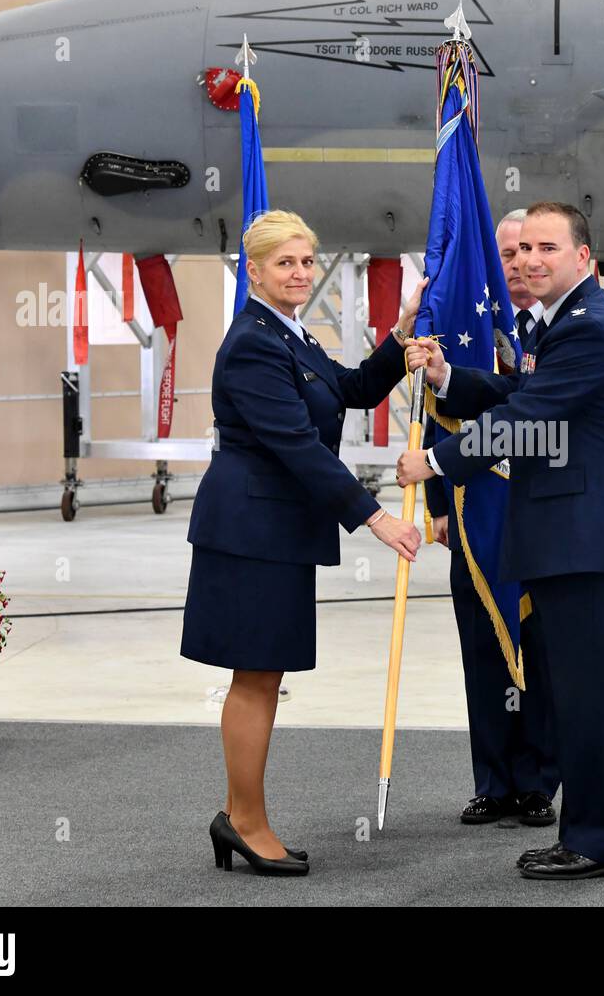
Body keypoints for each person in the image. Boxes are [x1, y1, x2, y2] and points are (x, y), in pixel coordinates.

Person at [398, 201, 604, 880]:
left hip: (588, 539)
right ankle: (593, 833)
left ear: (584, 257)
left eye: (548, 247)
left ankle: (603, 842)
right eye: (524, 249)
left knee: (589, 695)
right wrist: (451, 379)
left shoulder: (590, 328)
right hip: (570, 535)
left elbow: (526, 417)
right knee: (579, 694)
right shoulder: (562, 321)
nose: (531, 260)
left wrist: (435, 462)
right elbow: (520, 389)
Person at [182, 209, 423, 876]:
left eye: (306, 262)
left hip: (273, 528)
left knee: (262, 673)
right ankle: (247, 824)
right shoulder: (256, 342)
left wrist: (400, 340)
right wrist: (375, 517)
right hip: (252, 531)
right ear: (253, 272)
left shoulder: (288, 334)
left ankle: (237, 816)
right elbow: (295, 446)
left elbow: (344, 391)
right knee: (257, 677)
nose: (298, 273)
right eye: (284, 262)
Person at [422, 208, 559, 828]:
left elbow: (539, 421)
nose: (519, 265)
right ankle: (492, 781)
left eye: (530, 251)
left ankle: (536, 782)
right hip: (472, 514)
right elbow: (438, 413)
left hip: (535, 518)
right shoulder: (471, 326)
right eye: (505, 255)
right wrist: (436, 504)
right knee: (481, 652)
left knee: (537, 653)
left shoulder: (553, 330)